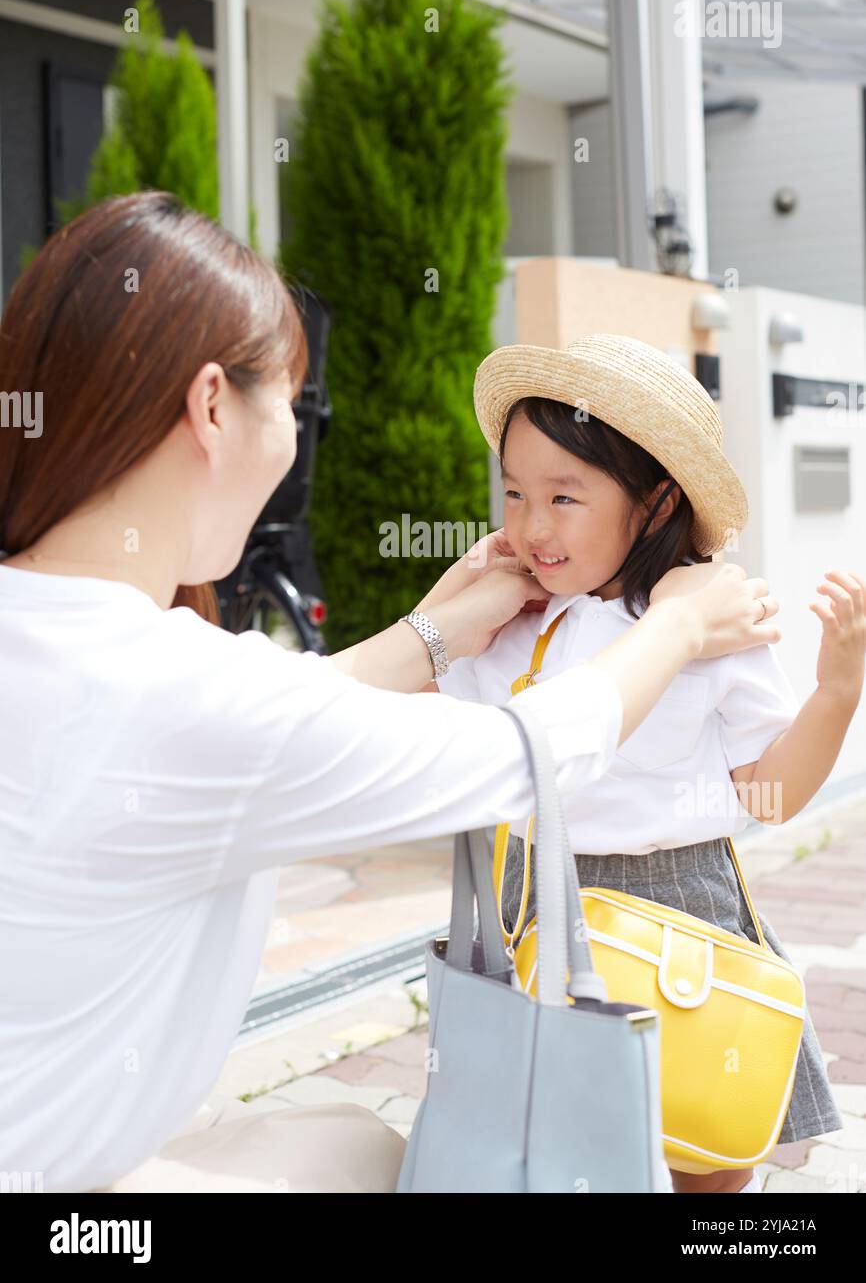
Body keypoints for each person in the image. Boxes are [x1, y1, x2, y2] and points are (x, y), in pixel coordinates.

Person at [0, 193, 781, 1194]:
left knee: (354, 1143)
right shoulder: (180, 689)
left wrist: (435, 629)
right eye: (288, 400)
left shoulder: (75, 640)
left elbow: (271, 724)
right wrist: (678, 626)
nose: (295, 434)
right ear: (209, 407)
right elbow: (519, 760)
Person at [431, 332, 864, 1194]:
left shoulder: (709, 619)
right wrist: (452, 600)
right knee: (562, 1150)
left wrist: (835, 693)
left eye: (565, 496)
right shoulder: (515, 618)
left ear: (658, 503)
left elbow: (767, 795)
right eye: (515, 493)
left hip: (682, 908)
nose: (531, 524)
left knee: (704, 1146)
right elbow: (432, 738)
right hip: (539, 905)